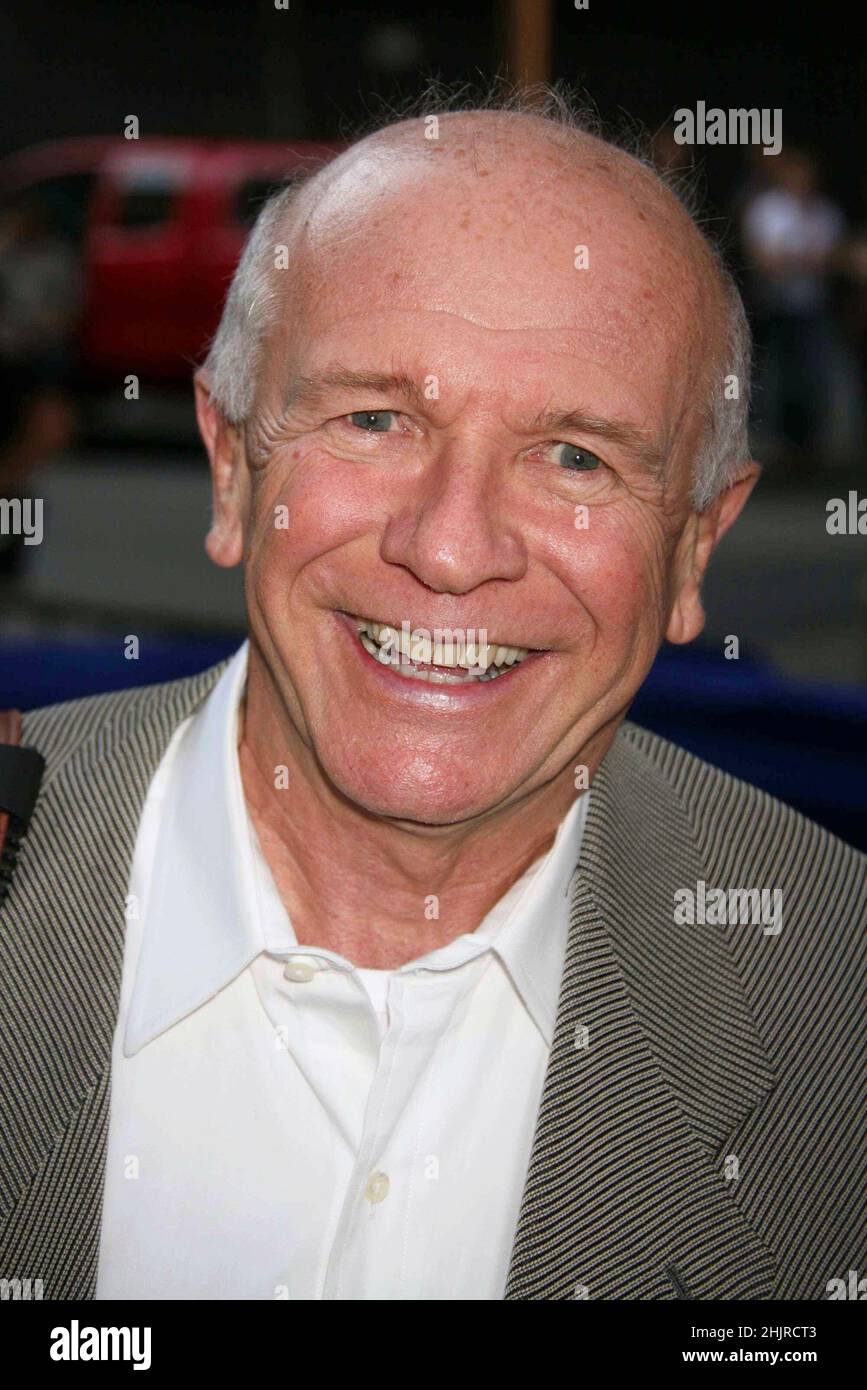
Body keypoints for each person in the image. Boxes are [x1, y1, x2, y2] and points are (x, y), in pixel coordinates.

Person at [1, 92, 864, 1302]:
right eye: (375, 418)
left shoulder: (842, 997)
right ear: (232, 467)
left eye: (577, 455)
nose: (453, 548)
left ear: (695, 547)